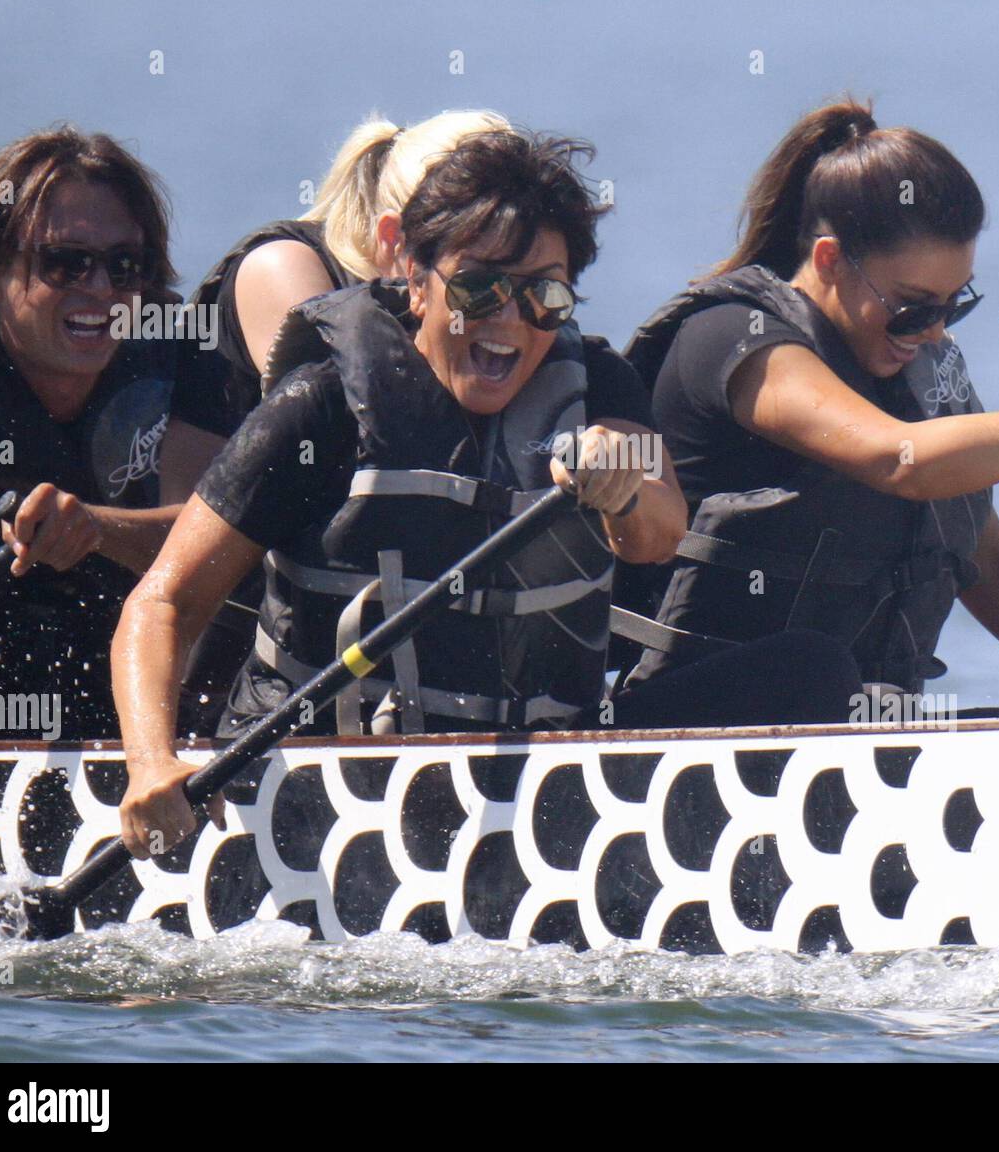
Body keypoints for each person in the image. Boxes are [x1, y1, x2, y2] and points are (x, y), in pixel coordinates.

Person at [114, 129, 688, 855]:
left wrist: (624, 482)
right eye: (480, 287)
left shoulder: (601, 388)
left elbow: (663, 527)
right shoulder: (318, 407)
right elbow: (163, 601)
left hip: (522, 806)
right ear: (416, 279)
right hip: (313, 809)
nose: (510, 320)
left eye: (544, 293)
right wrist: (149, 765)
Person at [615, 100, 999, 721]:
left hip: (853, 733)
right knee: (811, 666)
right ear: (828, 260)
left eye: (953, 306)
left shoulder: (915, 369)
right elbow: (900, 460)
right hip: (686, 738)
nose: (932, 333)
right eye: (914, 307)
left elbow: (991, 563)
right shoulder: (734, 341)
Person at [166, 111, 511, 724]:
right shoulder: (284, 267)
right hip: (239, 623)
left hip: (388, 620)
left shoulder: (498, 300)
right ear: (399, 240)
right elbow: (355, 417)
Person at [0, 127, 179, 738]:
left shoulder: (180, 355)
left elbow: (213, 535)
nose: (102, 291)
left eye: (124, 266)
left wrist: (93, 527)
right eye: (66, 262)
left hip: (161, 718)